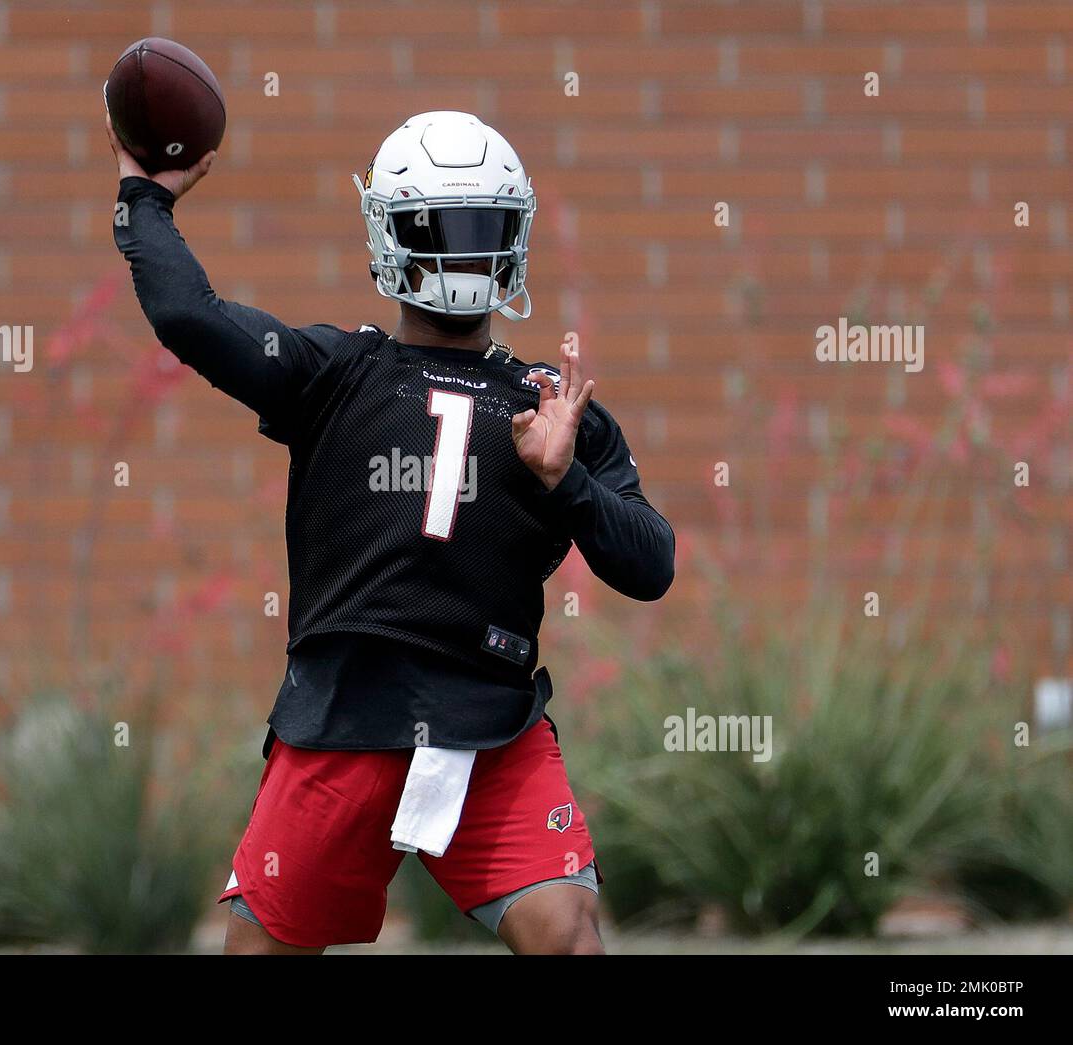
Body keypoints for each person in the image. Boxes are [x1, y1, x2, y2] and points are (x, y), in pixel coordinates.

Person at [109, 110, 675, 954]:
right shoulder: (334, 373)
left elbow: (651, 563)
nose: (462, 253)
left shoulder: (556, 409)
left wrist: (567, 482)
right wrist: (145, 199)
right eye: (438, 230)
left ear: (514, 240)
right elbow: (192, 318)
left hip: (490, 724)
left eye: (483, 230)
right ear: (390, 236)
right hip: (342, 715)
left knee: (567, 933)